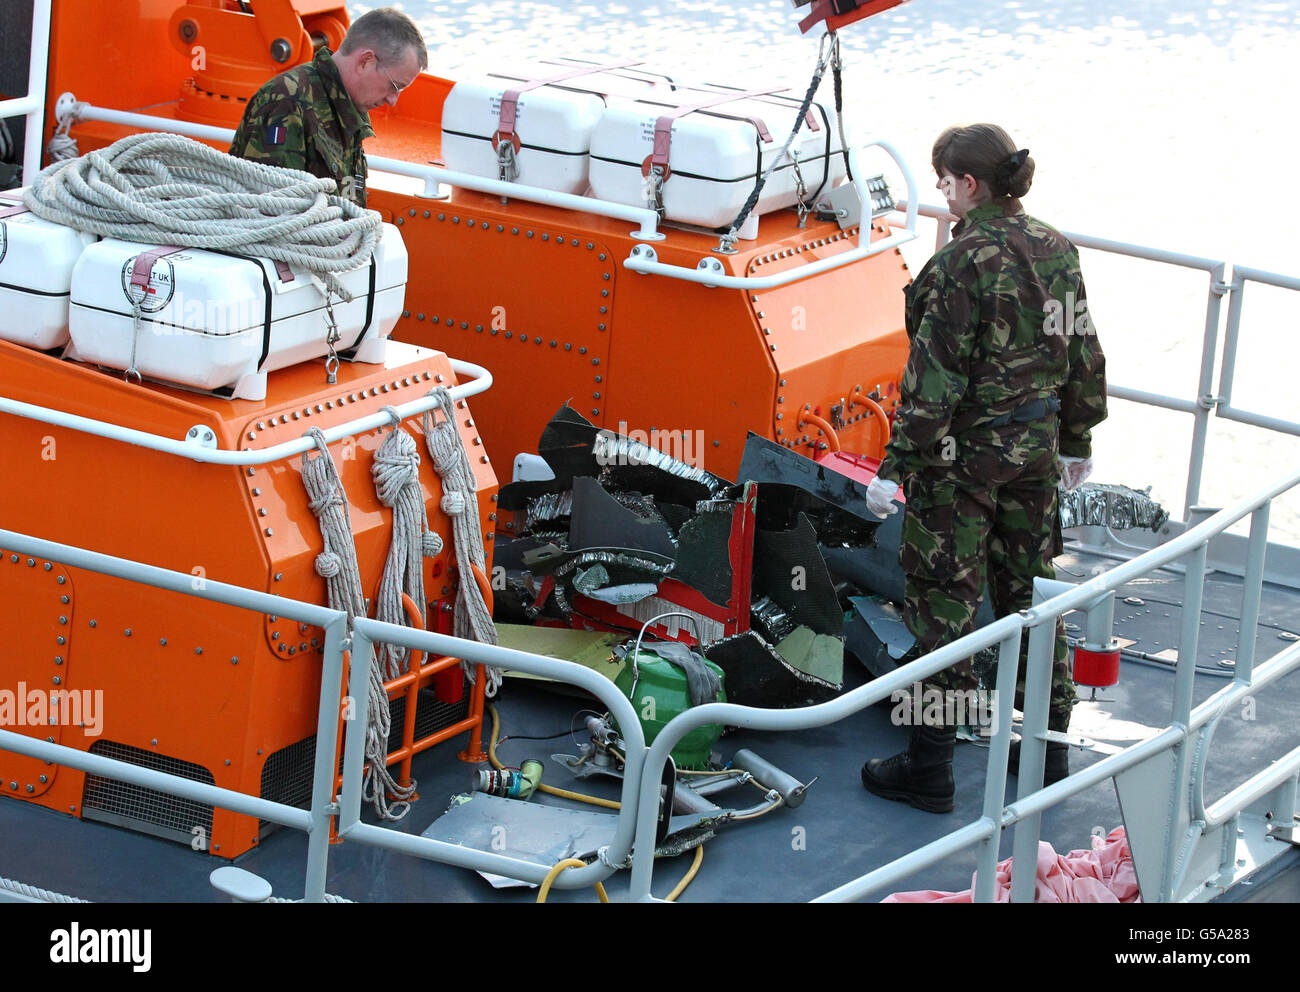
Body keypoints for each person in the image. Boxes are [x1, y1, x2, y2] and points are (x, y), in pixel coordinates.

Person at [859, 123, 1108, 813]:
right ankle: (1049, 751)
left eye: (944, 183)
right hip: (1033, 452)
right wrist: (1078, 438)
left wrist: (894, 467)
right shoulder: (1058, 248)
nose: (942, 196)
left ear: (970, 184)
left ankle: (929, 768)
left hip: (958, 465)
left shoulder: (960, 263)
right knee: (1033, 594)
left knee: (946, 607)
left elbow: (933, 382)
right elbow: (1081, 346)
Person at [229, 7, 427, 207]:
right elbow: (272, 211)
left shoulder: (349, 111)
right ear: (365, 61)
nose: (393, 100)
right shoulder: (288, 102)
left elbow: (349, 202)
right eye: (394, 86)